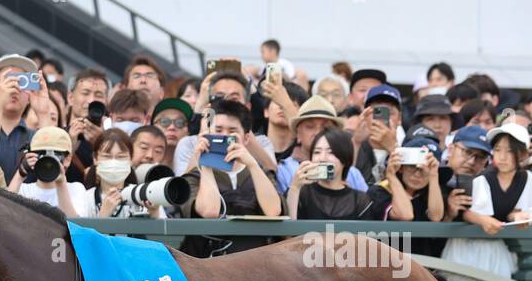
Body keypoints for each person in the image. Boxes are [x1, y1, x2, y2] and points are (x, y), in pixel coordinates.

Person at [446, 123, 532, 280]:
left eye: (510, 151)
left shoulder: (526, 179)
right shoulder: (484, 179)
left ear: (522, 154)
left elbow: (516, 211)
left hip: (496, 247)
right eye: (498, 150)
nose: (502, 156)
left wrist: (518, 217)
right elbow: (466, 213)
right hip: (468, 246)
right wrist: (482, 220)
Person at [189, 99, 283, 252]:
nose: (225, 137)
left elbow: (273, 211)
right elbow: (210, 212)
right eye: (218, 130)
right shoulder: (195, 175)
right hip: (207, 261)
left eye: (232, 131)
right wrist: (205, 162)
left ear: (245, 138)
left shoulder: (261, 174)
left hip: (255, 259)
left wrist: (252, 164)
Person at [286, 128, 384, 220]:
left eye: (331, 152)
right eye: (317, 152)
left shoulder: (360, 200)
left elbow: (366, 236)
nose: (322, 158)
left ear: (345, 158)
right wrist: (294, 188)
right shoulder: (302, 193)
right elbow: (289, 234)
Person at [0, 54, 36, 184]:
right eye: (6, 80)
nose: (14, 87)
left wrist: (43, 111)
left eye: (22, 81)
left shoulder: (37, 136)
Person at [7, 125, 89, 218]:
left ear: (67, 159)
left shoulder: (75, 189)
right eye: (41, 153)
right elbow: (4, 214)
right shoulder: (23, 190)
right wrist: (20, 174)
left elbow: (75, 226)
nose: (47, 161)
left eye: (54, 154)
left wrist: (61, 183)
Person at [66, 68, 110, 187]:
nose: (91, 100)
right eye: (85, 93)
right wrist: (68, 146)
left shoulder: (115, 140)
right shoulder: (58, 135)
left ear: (107, 101)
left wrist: (102, 144)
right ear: (70, 98)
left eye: (99, 95)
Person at [149, 97, 192, 170]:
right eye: (164, 122)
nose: (172, 127)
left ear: (188, 132)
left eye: (180, 123)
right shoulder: (144, 161)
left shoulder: (195, 166)